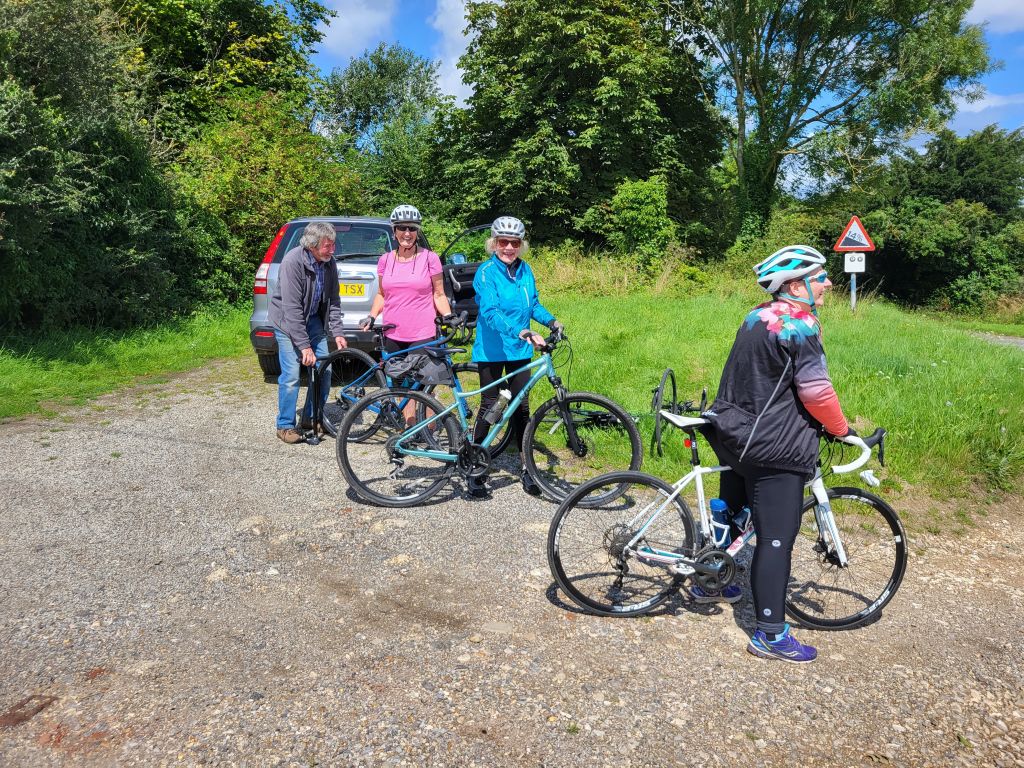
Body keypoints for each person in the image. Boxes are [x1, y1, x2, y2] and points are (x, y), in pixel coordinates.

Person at [702, 245, 853, 663]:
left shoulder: (755, 316)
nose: (827, 283)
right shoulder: (800, 326)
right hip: (773, 447)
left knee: (731, 509)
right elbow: (817, 392)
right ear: (794, 285)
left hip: (733, 432)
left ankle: (713, 580)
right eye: (819, 277)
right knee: (775, 539)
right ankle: (770, 632)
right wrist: (842, 430)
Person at [469, 216, 563, 498]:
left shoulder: (525, 271)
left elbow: (533, 304)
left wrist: (552, 322)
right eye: (503, 242)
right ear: (494, 243)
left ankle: (526, 468)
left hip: (520, 350)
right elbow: (491, 312)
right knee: (491, 405)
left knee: (521, 408)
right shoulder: (486, 272)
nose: (509, 247)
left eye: (514, 243)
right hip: (492, 350)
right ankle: (476, 467)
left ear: (521, 245)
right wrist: (520, 331)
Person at [359, 204, 454, 425]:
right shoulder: (385, 260)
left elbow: (439, 294)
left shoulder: (430, 258)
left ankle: (429, 429)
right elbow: (382, 294)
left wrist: (448, 316)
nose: (407, 234)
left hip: (422, 331)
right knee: (400, 384)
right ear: (394, 232)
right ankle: (410, 427)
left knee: (424, 383)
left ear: (418, 231)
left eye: (412, 228)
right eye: (402, 228)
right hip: (393, 332)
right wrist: (371, 316)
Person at [269, 221, 348, 444]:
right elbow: (292, 309)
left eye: (333, 245)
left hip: (313, 319)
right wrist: (304, 346)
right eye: (327, 246)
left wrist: (338, 332)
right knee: (292, 375)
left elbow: (333, 301)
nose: (332, 250)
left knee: (325, 368)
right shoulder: (292, 261)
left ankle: (310, 418)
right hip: (287, 322)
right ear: (312, 245)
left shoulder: (329, 263)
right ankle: (284, 425)